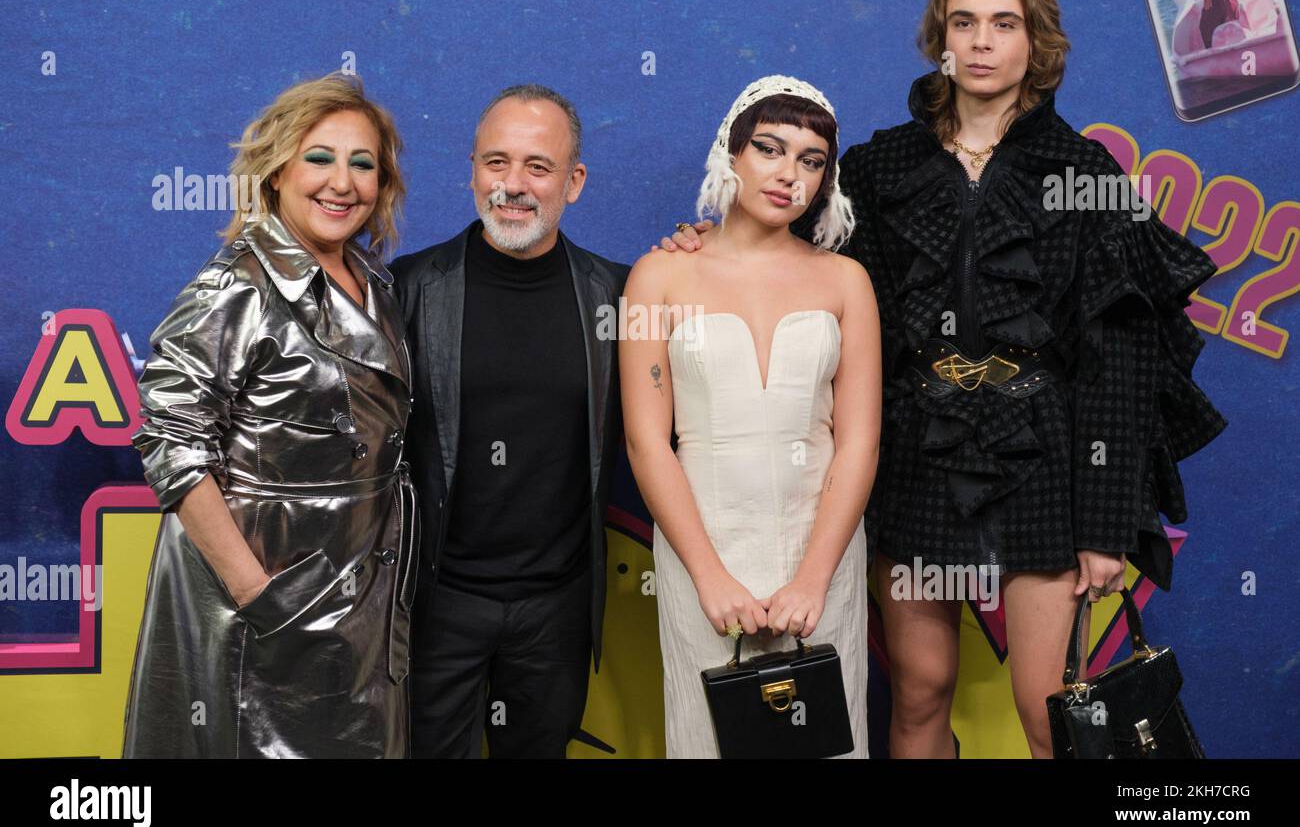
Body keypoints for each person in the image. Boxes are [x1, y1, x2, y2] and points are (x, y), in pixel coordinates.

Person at [664, 0, 1226, 758]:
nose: (983, 42)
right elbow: (785, 260)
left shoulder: (1083, 171)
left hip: (1047, 469)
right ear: (941, 40)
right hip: (917, 461)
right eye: (964, 23)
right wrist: (701, 247)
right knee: (920, 692)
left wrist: (1106, 525)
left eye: (1005, 24)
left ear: (1037, 42)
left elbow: (1124, 355)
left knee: (1050, 711)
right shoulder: (880, 166)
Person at [124, 72, 418, 758]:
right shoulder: (236, 286)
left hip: (364, 593)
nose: (341, 182)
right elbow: (171, 442)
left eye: (362, 163)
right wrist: (257, 593)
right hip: (262, 596)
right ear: (277, 170)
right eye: (319, 157)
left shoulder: (375, 281)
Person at [623, 75, 881, 758]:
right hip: (701, 551)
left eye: (811, 160)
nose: (788, 174)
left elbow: (858, 443)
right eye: (770, 149)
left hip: (820, 553)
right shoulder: (658, 276)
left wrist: (814, 578)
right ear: (729, 154)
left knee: (825, 740)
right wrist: (709, 576)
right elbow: (648, 441)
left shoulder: (846, 281)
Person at [390, 84, 629, 759]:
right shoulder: (407, 289)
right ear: (471, 170)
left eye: (538, 167)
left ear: (573, 182)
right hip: (437, 605)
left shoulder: (620, 293)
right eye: (496, 163)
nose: (513, 186)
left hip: (557, 609)